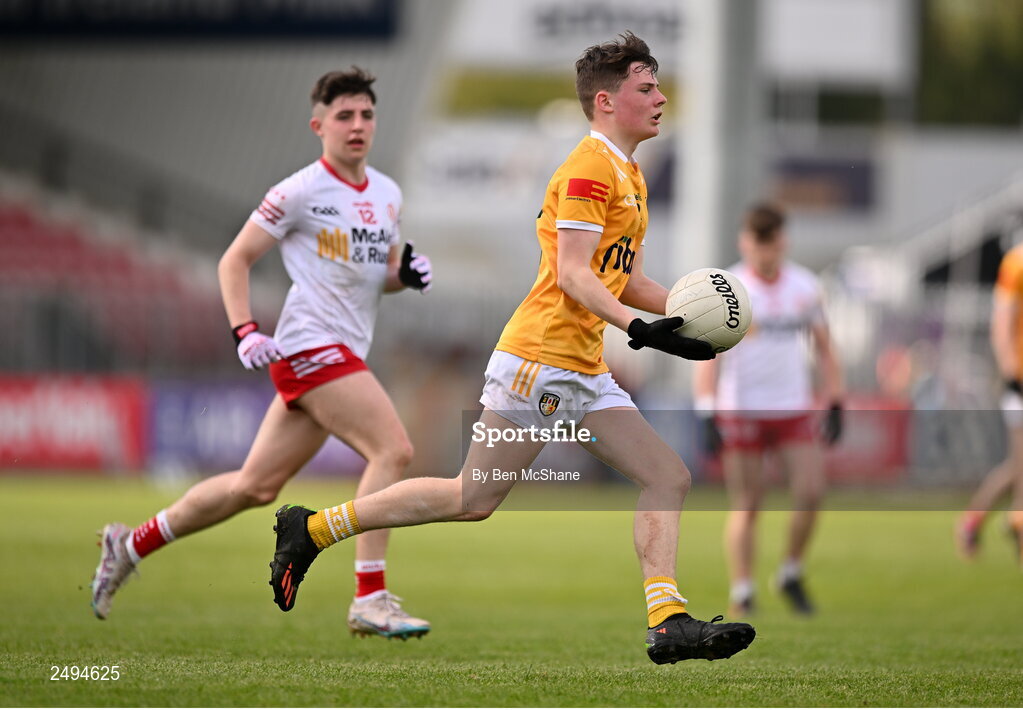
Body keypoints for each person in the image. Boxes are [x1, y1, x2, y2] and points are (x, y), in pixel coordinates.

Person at [266, 32, 756, 665]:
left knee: (668, 476)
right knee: (473, 499)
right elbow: (577, 274)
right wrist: (637, 332)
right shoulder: (587, 168)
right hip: (541, 361)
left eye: (658, 86)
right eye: (647, 88)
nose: (661, 98)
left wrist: (679, 317)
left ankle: (667, 620)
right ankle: (311, 528)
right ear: (606, 101)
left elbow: (619, 276)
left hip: (581, 366)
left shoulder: (628, 172)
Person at [91, 67, 436, 639]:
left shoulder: (387, 192)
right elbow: (234, 259)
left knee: (254, 487)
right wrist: (245, 330)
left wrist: (407, 273)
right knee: (393, 449)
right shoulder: (298, 190)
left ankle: (130, 544)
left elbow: (384, 271)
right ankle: (369, 599)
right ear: (318, 124)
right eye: (344, 116)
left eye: (366, 115)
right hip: (308, 346)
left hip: (342, 352)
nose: (357, 126)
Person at [692, 203, 844, 618]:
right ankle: (742, 590)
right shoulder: (728, 287)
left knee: (812, 492)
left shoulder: (805, 287)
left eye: (771, 244)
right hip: (741, 410)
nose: (764, 253)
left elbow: (826, 349)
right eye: (757, 244)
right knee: (747, 503)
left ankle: (791, 571)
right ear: (745, 241)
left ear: (782, 241)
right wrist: (706, 410)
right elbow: (707, 355)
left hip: (792, 409)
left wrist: (835, 399)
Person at [956, 242, 1023, 563]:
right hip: (1020, 377)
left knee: (1017, 466)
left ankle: (975, 520)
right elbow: (1002, 324)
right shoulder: (1017, 262)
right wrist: (1012, 375)